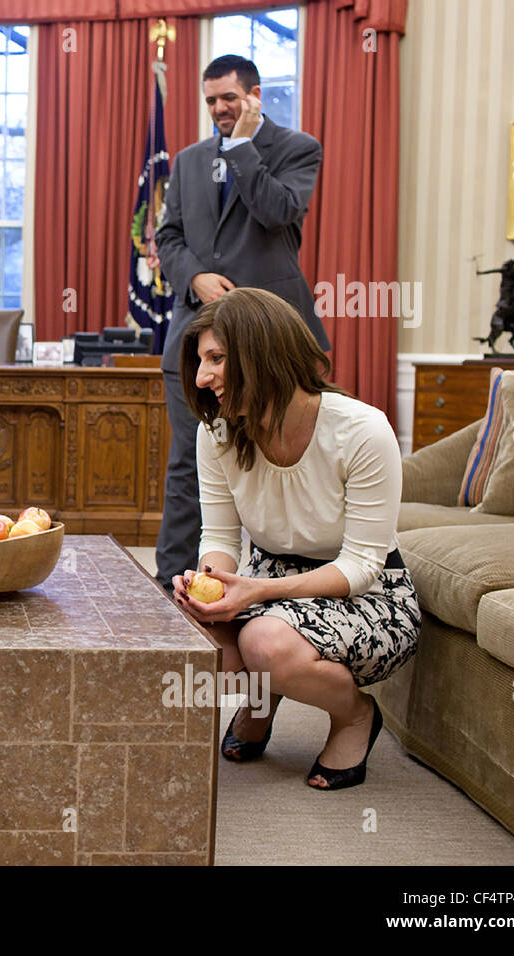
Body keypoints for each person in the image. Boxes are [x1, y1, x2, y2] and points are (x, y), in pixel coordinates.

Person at [171, 288, 419, 791]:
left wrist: (257, 593)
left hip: (366, 595)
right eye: (201, 361)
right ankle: (267, 693)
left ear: (263, 353)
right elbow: (219, 534)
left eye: (216, 359)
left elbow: (361, 566)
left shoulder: (363, 431)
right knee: (198, 644)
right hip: (266, 578)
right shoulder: (216, 432)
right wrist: (210, 581)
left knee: (264, 642)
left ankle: (354, 716)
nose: (201, 378)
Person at [154, 54, 330, 594]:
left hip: (272, 341)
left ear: (253, 95)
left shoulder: (297, 149)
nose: (218, 109)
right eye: (210, 101)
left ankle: (260, 585)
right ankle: (171, 589)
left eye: (228, 98)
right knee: (189, 463)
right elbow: (168, 238)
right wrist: (197, 278)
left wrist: (243, 150)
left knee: (273, 459)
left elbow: (278, 211)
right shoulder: (187, 160)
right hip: (195, 338)